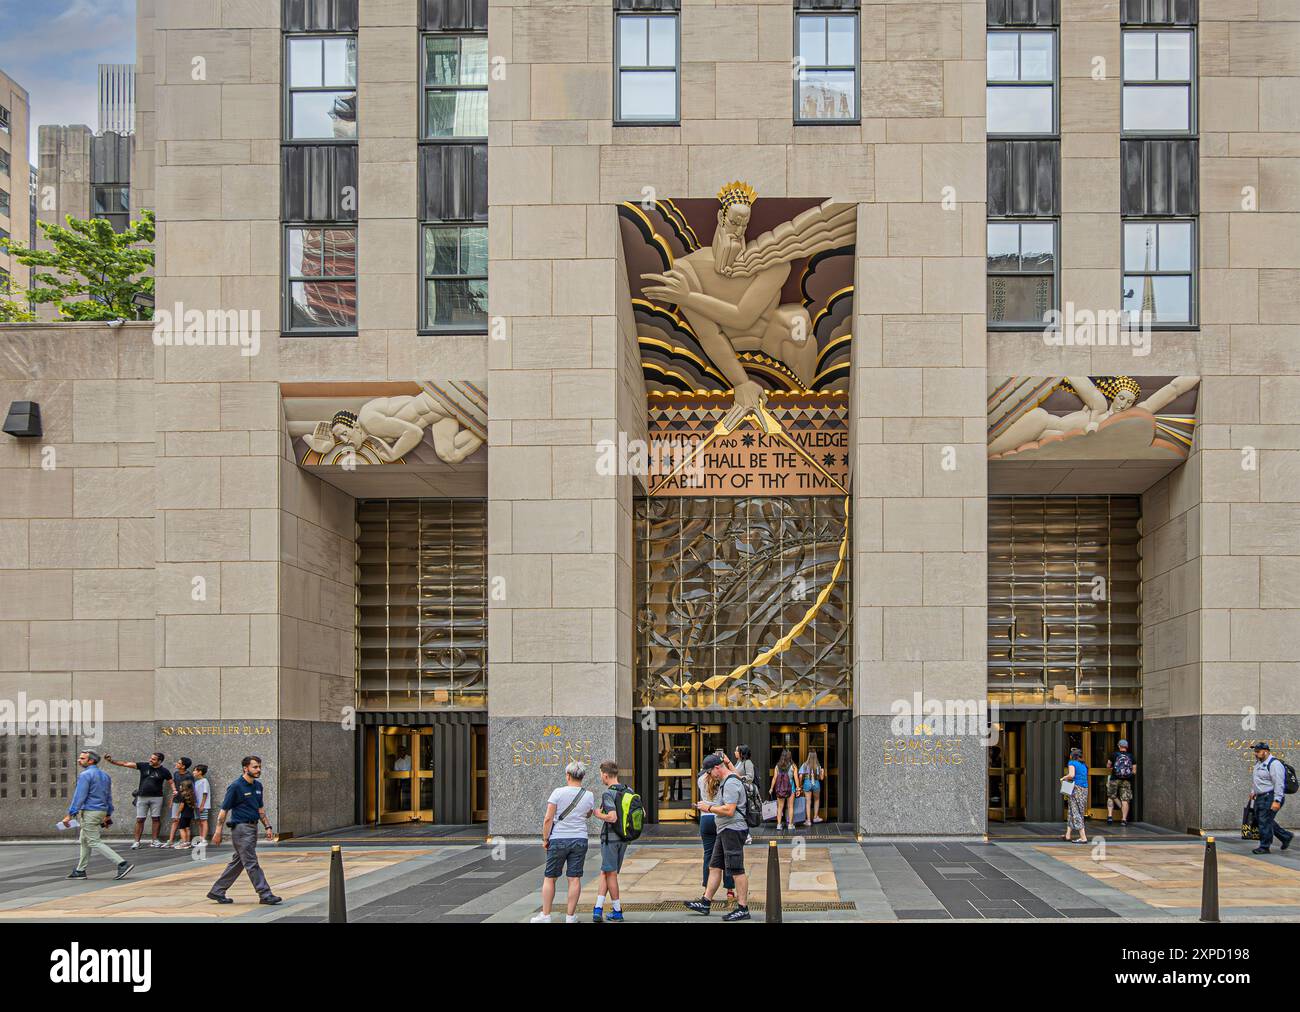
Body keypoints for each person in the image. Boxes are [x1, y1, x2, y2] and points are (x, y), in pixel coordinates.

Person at [206, 756, 281, 905]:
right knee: (251, 862)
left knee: (239, 861)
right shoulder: (235, 786)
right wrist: (218, 831)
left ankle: (217, 891)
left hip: (252, 828)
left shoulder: (258, 786)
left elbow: (260, 809)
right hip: (241, 829)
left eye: (259, 766)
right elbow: (224, 810)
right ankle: (265, 894)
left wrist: (267, 826)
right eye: (255, 767)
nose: (258, 769)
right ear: (245, 768)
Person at [686, 753, 752, 921]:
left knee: (737, 869)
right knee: (715, 866)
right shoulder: (725, 781)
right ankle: (705, 902)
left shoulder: (730, 782)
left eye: (709, 771)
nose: (709, 775)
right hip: (724, 830)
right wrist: (712, 807)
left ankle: (743, 908)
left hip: (733, 829)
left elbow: (729, 810)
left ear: (717, 767)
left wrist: (709, 808)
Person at [531, 761, 596, 923]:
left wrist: (546, 839)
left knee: (550, 877)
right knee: (574, 878)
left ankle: (546, 915)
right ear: (582, 777)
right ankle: (570, 917)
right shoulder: (588, 795)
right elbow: (588, 814)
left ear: (568, 775)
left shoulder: (557, 793)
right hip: (580, 839)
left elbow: (548, 819)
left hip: (558, 839)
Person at [64, 750, 134, 881]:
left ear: (91, 761)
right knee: (84, 840)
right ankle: (80, 870)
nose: (79, 760)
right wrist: (108, 814)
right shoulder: (105, 775)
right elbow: (108, 796)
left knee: (93, 841)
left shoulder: (85, 775)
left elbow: (79, 796)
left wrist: (70, 814)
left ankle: (122, 863)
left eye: (82, 758)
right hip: (100, 811)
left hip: (90, 811)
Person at [104, 751, 173, 849]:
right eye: (151, 758)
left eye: (153, 759)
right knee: (140, 819)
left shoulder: (164, 771)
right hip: (142, 797)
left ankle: (155, 840)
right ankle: (136, 842)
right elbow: (125, 764)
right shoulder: (144, 766)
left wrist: (174, 790)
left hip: (157, 797)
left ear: (160, 761)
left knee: (156, 818)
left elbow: (171, 781)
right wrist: (111, 761)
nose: (150, 760)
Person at [590, 760, 630, 922]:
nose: (601, 777)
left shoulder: (609, 793)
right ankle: (598, 908)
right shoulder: (629, 790)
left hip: (610, 838)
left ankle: (617, 910)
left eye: (601, 774)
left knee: (610, 874)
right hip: (624, 838)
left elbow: (612, 817)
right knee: (606, 872)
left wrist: (598, 815)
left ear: (606, 775)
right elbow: (641, 812)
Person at [698, 751, 736, 904]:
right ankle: (730, 890)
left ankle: (707, 889)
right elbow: (737, 777)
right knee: (727, 854)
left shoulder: (701, 779)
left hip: (705, 819)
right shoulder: (723, 780)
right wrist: (727, 762)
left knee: (708, 855)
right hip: (720, 817)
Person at [1250, 742, 1294, 855]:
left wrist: (1277, 800)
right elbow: (1257, 780)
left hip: (1270, 796)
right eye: (1255, 751)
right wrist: (1253, 791)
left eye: (1258, 751)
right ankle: (1286, 836)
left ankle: (1264, 846)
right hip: (1260, 797)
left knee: (1264, 821)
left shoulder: (1274, 764)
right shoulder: (1259, 763)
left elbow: (1279, 783)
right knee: (1263, 819)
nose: (1255, 753)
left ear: (1266, 751)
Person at [167, 757, 197, 849]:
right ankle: (171, 841)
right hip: (177, 800)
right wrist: (172, 799)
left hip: (184, 802)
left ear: (183, 766)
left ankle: (184, 841)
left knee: (182, 824)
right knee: (176, 820)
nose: (177, 764)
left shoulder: (189, 776)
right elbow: (175, 788)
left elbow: (191, 789)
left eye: (179, 763)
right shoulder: (176, 774)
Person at [1106, 739, 1137, 826]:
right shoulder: (1131, 756)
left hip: (1114, 779)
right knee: (1125, 799)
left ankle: (1110, 816)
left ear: (1119, 746)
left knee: (1111, 797)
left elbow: (1108, 766)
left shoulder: (1113, 755)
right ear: (1126, 747)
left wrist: (1113, 769)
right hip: (1126, 780)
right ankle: (1123, 819)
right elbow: (1134, 771)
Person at [1062, 747, 1089, 844]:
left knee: (1075, 811)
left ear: (1072, 755)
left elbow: (1071, 775)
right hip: (1084, 789)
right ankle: (1067, 835)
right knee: (1072, 811)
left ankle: (1083, 837)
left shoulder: (1071, 763)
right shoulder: (1084, 765)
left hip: (1075, 789)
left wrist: (1064, 778)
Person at [769, 749, 800, 831]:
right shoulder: (793, 766)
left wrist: (771, 788)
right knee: (790, 807)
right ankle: (790, 825)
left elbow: (774, 778)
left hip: (780, 789)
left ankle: (779, 825)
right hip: (791, 788)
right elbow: (796, 778)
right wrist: (798, 788)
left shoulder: (777, 766)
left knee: (780, 807)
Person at [800, 749, 825, 825]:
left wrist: (800, 785)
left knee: (808, 802)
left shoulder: (804, 765)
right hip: (816, 783)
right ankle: (815, 817)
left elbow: (800, 776)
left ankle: (808, 821)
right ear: (815, 756)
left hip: (807, 783)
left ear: (809, 756)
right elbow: (821, 778)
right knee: (816, 800)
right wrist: (822, 772)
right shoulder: (818, 766)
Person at [192, 764, 212, 843]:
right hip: (197, 805)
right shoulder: (196, 782)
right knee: (199, 821)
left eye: (195, 770)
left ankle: (204, 839)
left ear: (200, 772)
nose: (193, 772)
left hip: (203, 806)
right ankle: (201, 838)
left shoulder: (204, 781)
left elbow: (205, 793)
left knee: (204, 821)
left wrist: (202, 805)